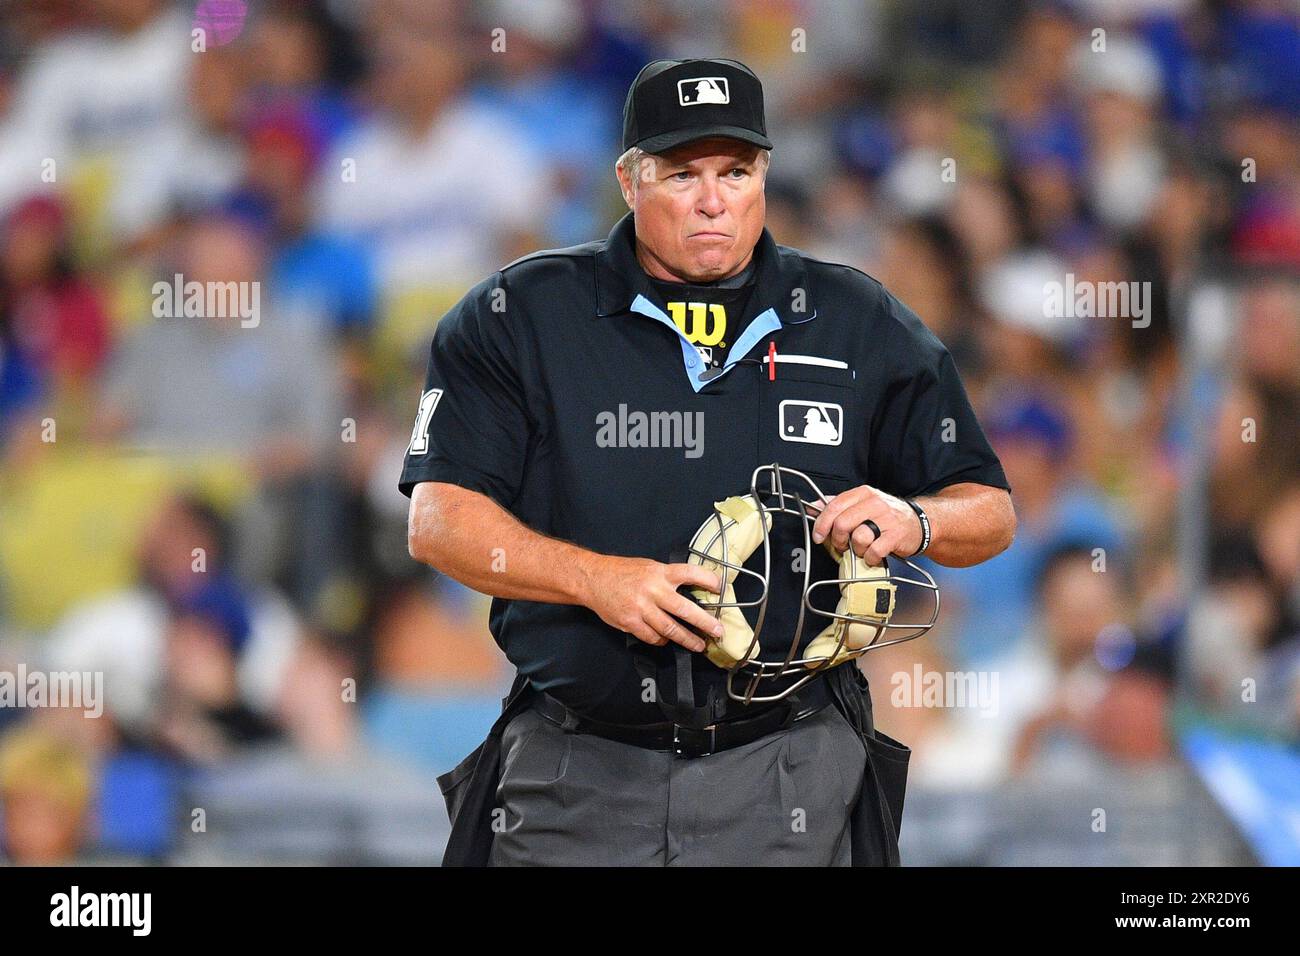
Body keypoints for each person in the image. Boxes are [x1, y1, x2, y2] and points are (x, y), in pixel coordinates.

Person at [402, 58, 1016, 866]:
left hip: (788, 769)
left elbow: (990, 510)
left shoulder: (853, 320)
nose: (713, 199)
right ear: (628, 180)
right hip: (580, 772)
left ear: (764, 173)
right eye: (681, 174)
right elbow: (439, 521)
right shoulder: (520, 316)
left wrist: (917, 516)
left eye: (737, 171)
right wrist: (596, 580)